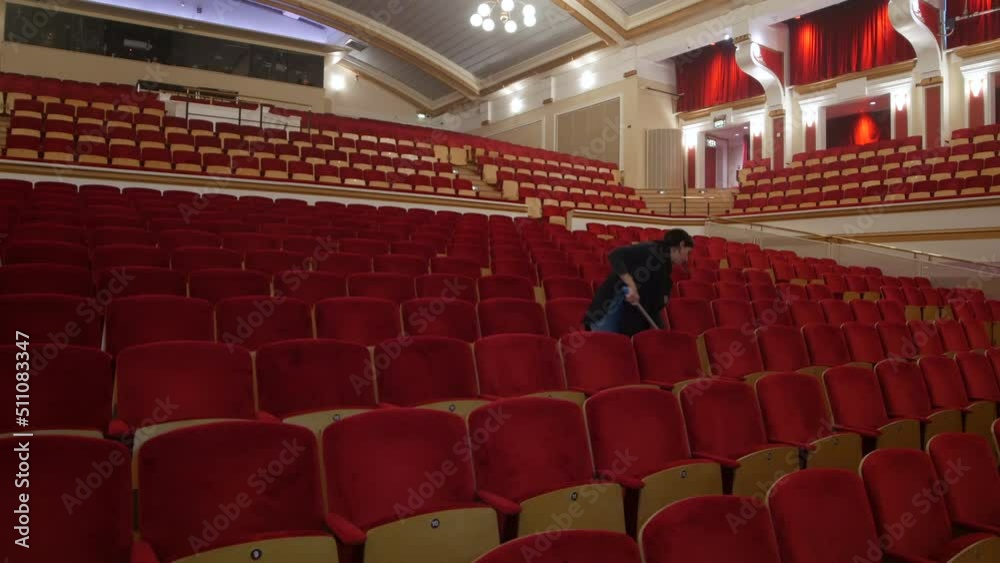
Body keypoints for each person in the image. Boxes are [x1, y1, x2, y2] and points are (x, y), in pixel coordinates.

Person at [583, 228, 694, 336]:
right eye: (688, 252)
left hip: (629, 322)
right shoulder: (651, 249)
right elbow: (615, 255)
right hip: (610, 312)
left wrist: (662, 332)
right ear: (681, 245)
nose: (686, 259)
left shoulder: (665, 270)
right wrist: (631, 284)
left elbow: (653, 307)